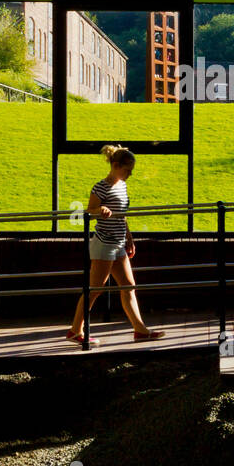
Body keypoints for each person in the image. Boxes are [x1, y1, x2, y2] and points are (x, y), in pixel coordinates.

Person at [67, 145, 165, 345]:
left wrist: (129, 238)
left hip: (119, 242)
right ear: (116, 165)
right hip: (104, 244)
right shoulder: (100, 187)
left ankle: (140, 330)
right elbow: (90, 210)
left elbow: (122, 215)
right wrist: (100, 209)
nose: (130, 174)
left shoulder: (122, 186)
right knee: (95, 289)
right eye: (127, 170)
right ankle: (76, 330)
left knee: (129, 286)